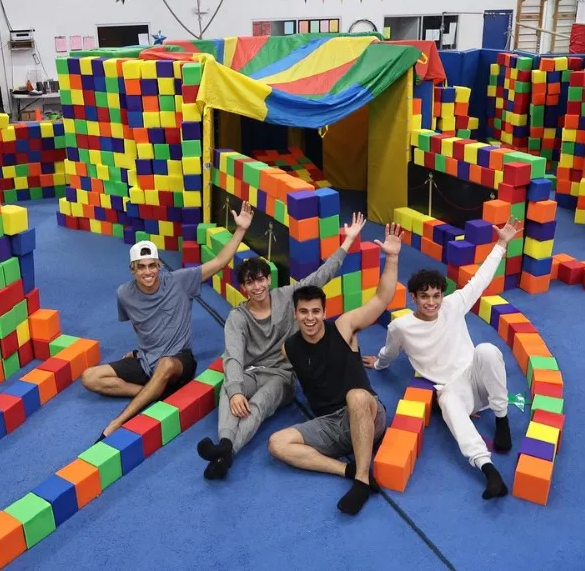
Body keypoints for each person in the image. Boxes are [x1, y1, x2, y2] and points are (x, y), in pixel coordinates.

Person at [197, 212, 369, 480]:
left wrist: (347, 242)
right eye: (250, 282)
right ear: (243, 288)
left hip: (281, 375)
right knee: (231, 392)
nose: (257, 286)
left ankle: (228, 448)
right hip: (251, 371)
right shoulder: (237, 317)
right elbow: (232, 357)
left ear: (268, 279)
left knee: (260, 404)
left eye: (261, 279)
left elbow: (323, 274)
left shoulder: (287, 296)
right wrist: (234, 391)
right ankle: (225, 446)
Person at [362, 217, 523, 500]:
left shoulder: (453, 305)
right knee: (447, 401)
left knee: (487, 349)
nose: (432, 302)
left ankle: (502, 420)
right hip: (454, 389)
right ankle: (488, 470)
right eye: (424, 297)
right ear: (413, 298)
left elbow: (481, 279)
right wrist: (378, 363)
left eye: (436, 296)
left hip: (477, 375)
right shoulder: (401, 327)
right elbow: (389, 351)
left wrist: (500, 243)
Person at [81, 200, 255, 441]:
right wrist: (137, 352)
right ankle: (154, 392)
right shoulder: (124, 293)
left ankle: (118, 420)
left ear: (160, 265)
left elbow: (219, 262)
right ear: (132, 270)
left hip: (178, 361)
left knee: (166, 365)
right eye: (141, 267)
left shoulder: (181, 280)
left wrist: (241, 230)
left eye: (152, 266)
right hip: (146, 361)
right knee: (89, 377)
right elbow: (138, 323)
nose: (148, 272)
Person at [267, 223, 403, 516]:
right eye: (303, 312)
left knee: (355, 396)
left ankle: (361, 481)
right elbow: (272, 370)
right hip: (330, 424)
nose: (310, 317)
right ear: (295, 314)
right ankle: (347, 468)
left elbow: (381, 299)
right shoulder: (289, 347)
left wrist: (391, 258)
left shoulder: (343, 328)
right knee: (277, 444)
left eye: (316, 311)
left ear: (324, 312)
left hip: (367, 412)